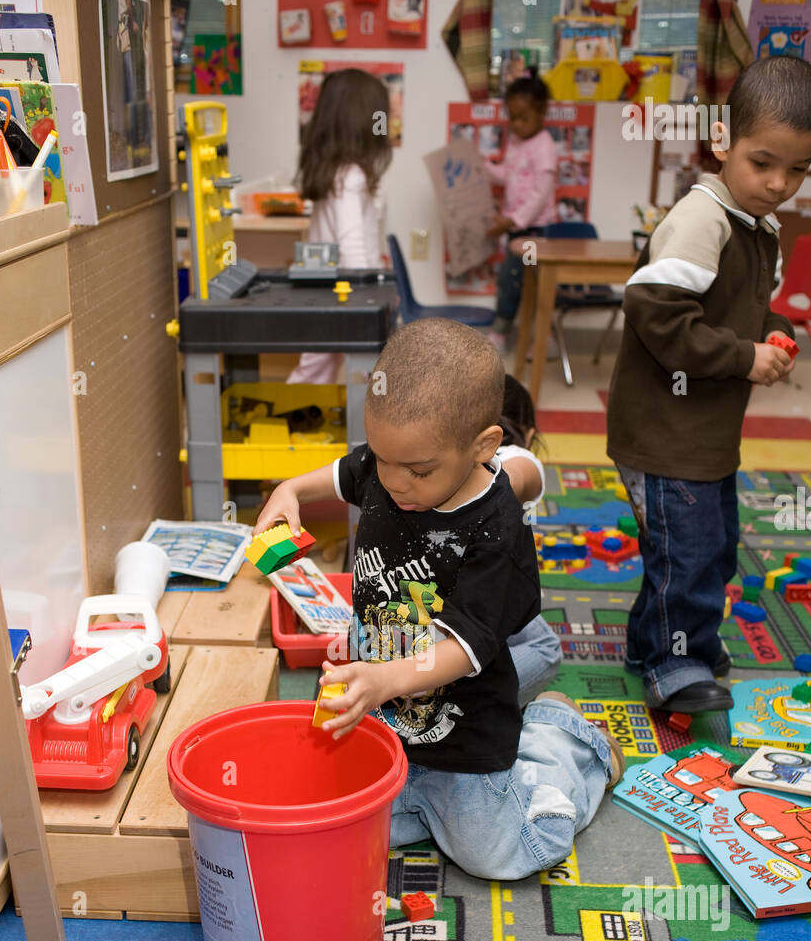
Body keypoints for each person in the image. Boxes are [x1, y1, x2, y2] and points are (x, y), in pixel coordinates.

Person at [254, 320, 622, 881]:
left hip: (464, 727)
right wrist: (289, 492)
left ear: (484, 446)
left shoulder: (496, 525)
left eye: (419, 471)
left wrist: (384, 679)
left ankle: (565, 737)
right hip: (386, 718)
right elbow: (339, 472)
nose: (392, 482)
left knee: (503, 854)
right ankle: (428, 805)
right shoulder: (394, 459)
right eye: (380, 458)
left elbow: (461, 646)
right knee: (347, 827)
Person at [606, 55, 811, 714]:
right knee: (687, 554)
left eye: (800, 169)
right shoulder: (705, 219)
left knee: (712, 545)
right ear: (721, 141)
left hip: (705, 431)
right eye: (763, 162)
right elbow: (657, 312)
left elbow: (745, 310)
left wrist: (773, 333)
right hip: (664, 431)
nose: (780, 182)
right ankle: (675, 662)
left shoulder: (760, 227)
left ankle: (659, 641)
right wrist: (742, 357)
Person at [287, 69, 392, 386]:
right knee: (366, 372)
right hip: (344, 297)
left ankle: (290, 423)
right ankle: (285, 425)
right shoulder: (350, 179)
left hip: (329, 294)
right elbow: (353, 250)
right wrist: (369, 302)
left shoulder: (336, 172)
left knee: (318, 368)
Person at [497, 374, 563, 706]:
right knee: (546, 648)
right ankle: (472, 702)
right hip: (474, 600)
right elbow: (515, 473)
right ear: (530, 433)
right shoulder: (519, 458)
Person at [484, 73, 558, 355]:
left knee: (533, 284)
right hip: (516, 228)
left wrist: (512, 221)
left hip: (537, 231)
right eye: (511, 118)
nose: (516, 124)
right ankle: (504, 332)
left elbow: (541, 194)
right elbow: (509, 175)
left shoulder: (544, 147)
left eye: (523, 118)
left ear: (542, 112)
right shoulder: (515, 142)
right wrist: (484, 167)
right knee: (511, 281)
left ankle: (542, 338)